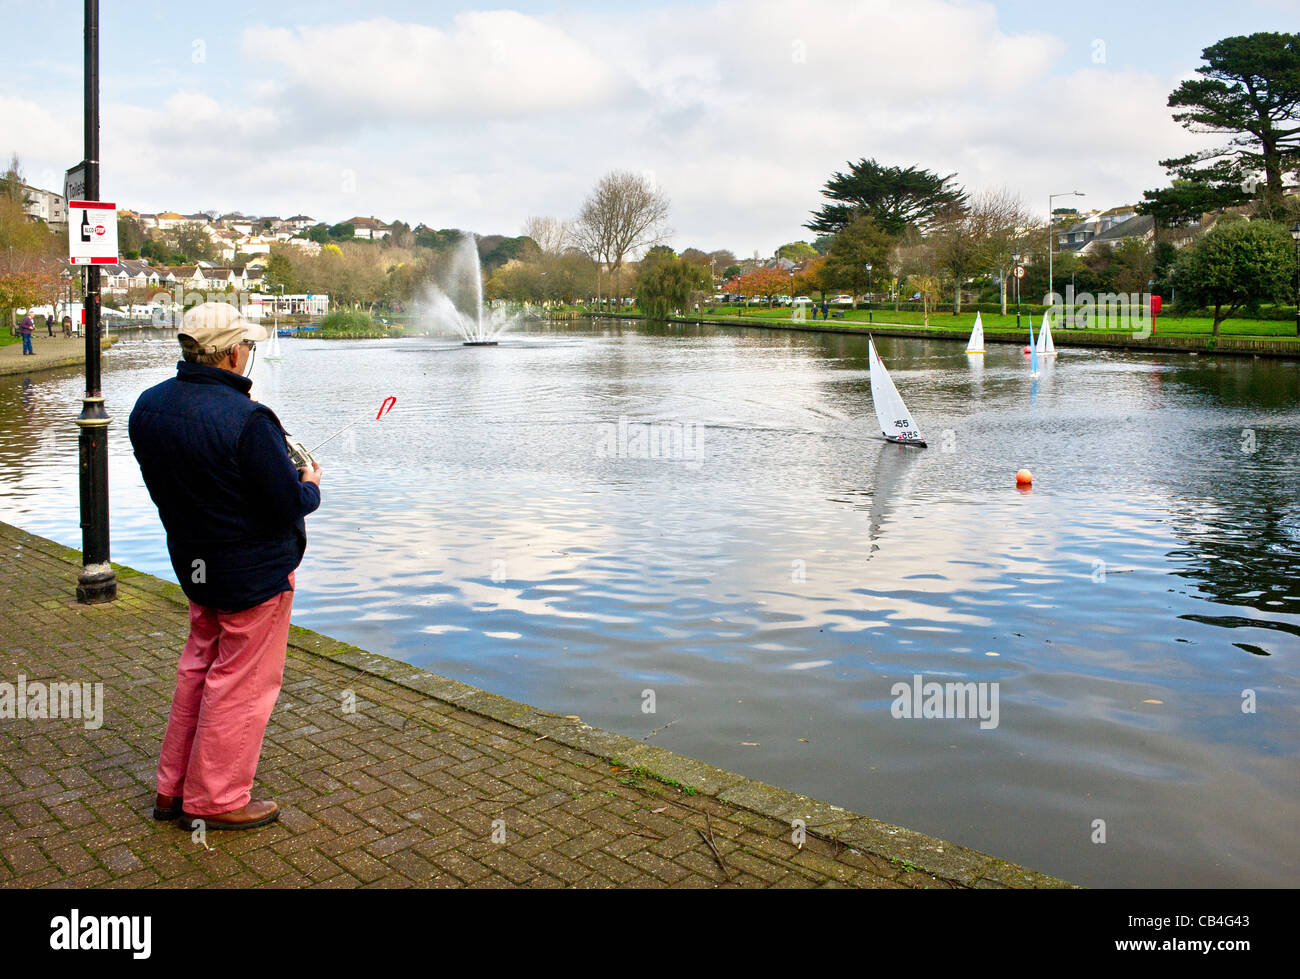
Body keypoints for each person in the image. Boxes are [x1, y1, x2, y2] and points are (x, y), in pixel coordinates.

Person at [129, 302, 323, 831]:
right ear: (234, 353)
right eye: (249, 348)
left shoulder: (147, 405)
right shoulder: (248, 418)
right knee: (240, 683)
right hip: (251, 571)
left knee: (197, 671)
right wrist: (309, 485)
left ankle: (173, 789)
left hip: (193, 563)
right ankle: (216, 799)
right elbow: (285, 503)